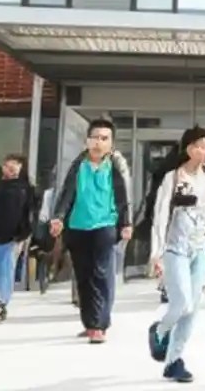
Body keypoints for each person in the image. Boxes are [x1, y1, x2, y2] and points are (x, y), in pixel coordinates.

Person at [147, 127, 205, 383]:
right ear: (188, 149)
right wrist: (156, 254)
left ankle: (173, 361)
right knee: (181, 303)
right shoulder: (172, 179)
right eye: (200, 146)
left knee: (192, 310)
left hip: (199, 250)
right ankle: (159, 331)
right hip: (175, 250)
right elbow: (160, 219)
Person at [50, 118, 132, 344]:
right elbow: (66, 193)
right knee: (83, 277)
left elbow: (123, 197)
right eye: (95, 137)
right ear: (87, 140)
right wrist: (58, 218)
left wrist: (126, 223)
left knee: (101, 274)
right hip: (77, 226)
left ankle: (99, 324)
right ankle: (90, 322)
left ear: (111, 143)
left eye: (104, 138)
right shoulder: (78, 165)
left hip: (105, 225)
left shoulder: (114, 166)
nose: (98, 142)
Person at [0, 153, 35, 322]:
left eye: (15, 165)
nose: (11, 168)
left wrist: (23, 235)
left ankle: (0, 303)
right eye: (7, 164)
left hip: (12, 238)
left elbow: (30, 214)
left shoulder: (26, 189)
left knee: (5, 270)